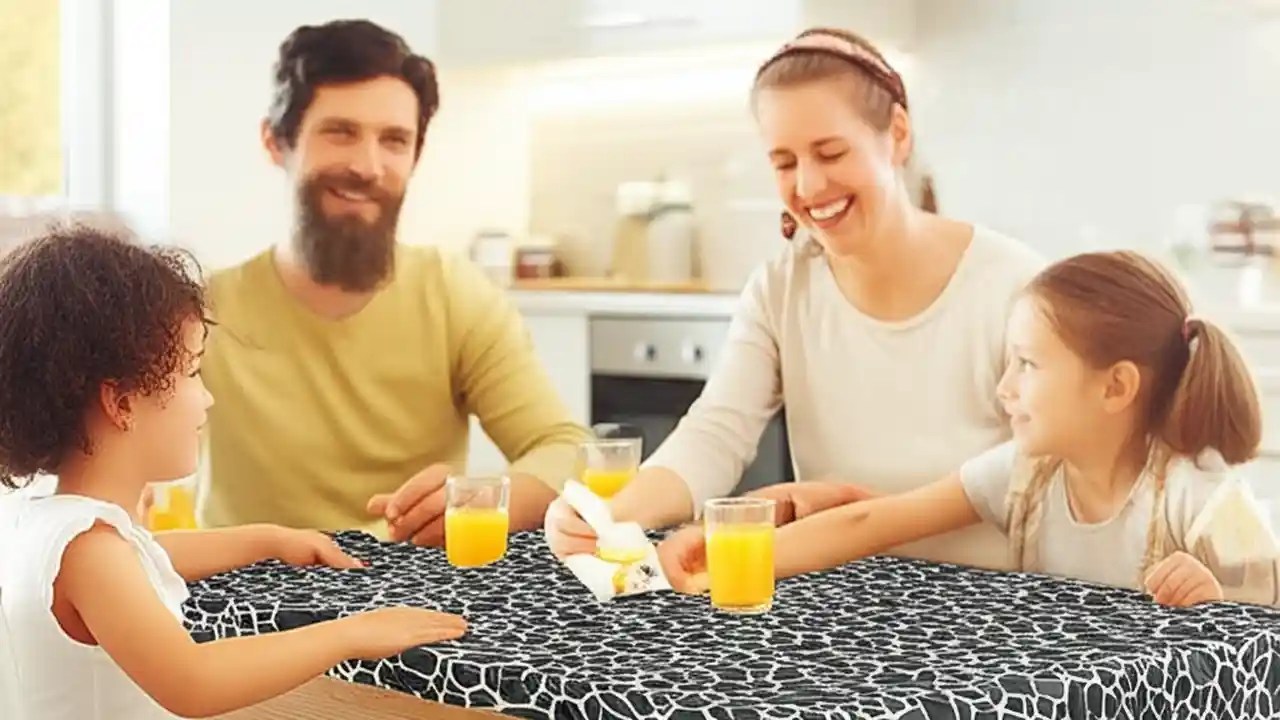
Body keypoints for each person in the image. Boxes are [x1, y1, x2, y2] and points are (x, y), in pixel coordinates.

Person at [545, 27, 1044, 571]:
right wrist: (612, 514)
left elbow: (1041, 475)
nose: (808, 186)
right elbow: (716, 433)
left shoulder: (1015, 286)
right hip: (835, 590)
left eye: (830, 153)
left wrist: (869, 518)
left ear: (897, 134)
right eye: (784, 163)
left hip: (988, 604)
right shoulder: (781, 290)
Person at [0, 225, 467, 720]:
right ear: (122, 403)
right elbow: (196, 682)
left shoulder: (43, 521)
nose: (207, 398)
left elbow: (146, 556)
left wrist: (266, 539)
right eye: (193, 371)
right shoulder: (91, 553)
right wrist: (350, 634)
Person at [665, 250, 1280, 607]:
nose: (1004, 387)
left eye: (1028, 364)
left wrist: (1217, 602)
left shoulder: (1198, 497)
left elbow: (1265, 623)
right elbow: (871, 522)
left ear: (1115, 387)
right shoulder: (1026, 473)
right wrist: (725, 561)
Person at [198, 19, 591, 544]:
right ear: (276, 142)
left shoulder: (453, 293)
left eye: (394, 141)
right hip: (251, 605)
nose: (368, 165)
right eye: (340, 132)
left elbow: (565, 447)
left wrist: (479, 500)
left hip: (410, 600)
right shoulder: (203, 311)